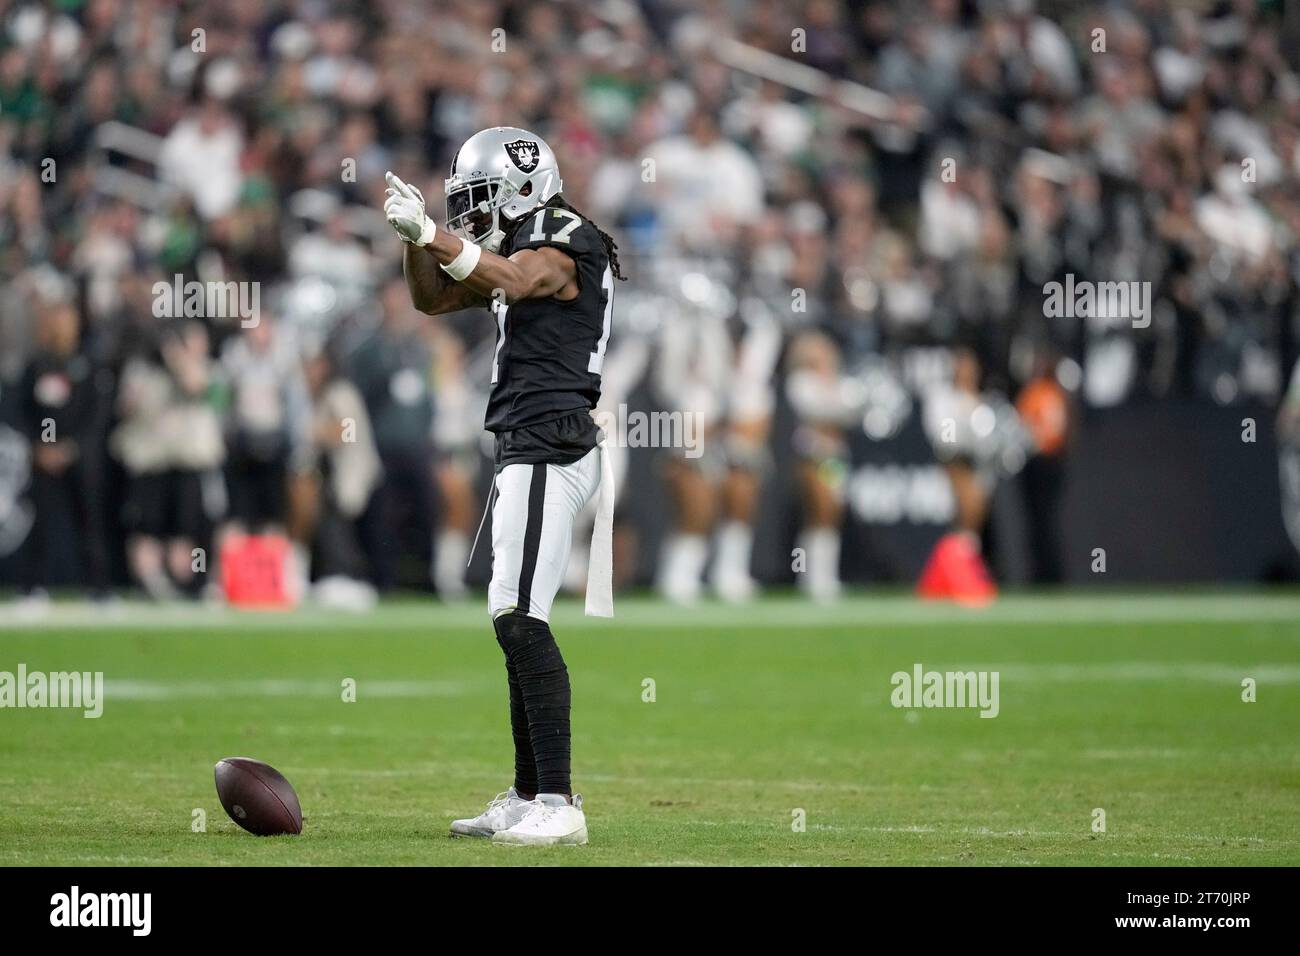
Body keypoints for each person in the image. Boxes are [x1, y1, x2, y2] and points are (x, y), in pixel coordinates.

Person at [384, 127, 623, 846]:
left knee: (521, 617)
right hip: (528, 441)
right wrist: (415, 235)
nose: (469, 214)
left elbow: (515, 280)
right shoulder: (514, 245)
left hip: (553, 439)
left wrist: (432, 229)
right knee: (513, 615)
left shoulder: (563, 233)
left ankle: (559, 801)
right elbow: (432, 300)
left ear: (524, 185)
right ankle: (528, 796)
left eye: (479, 199)